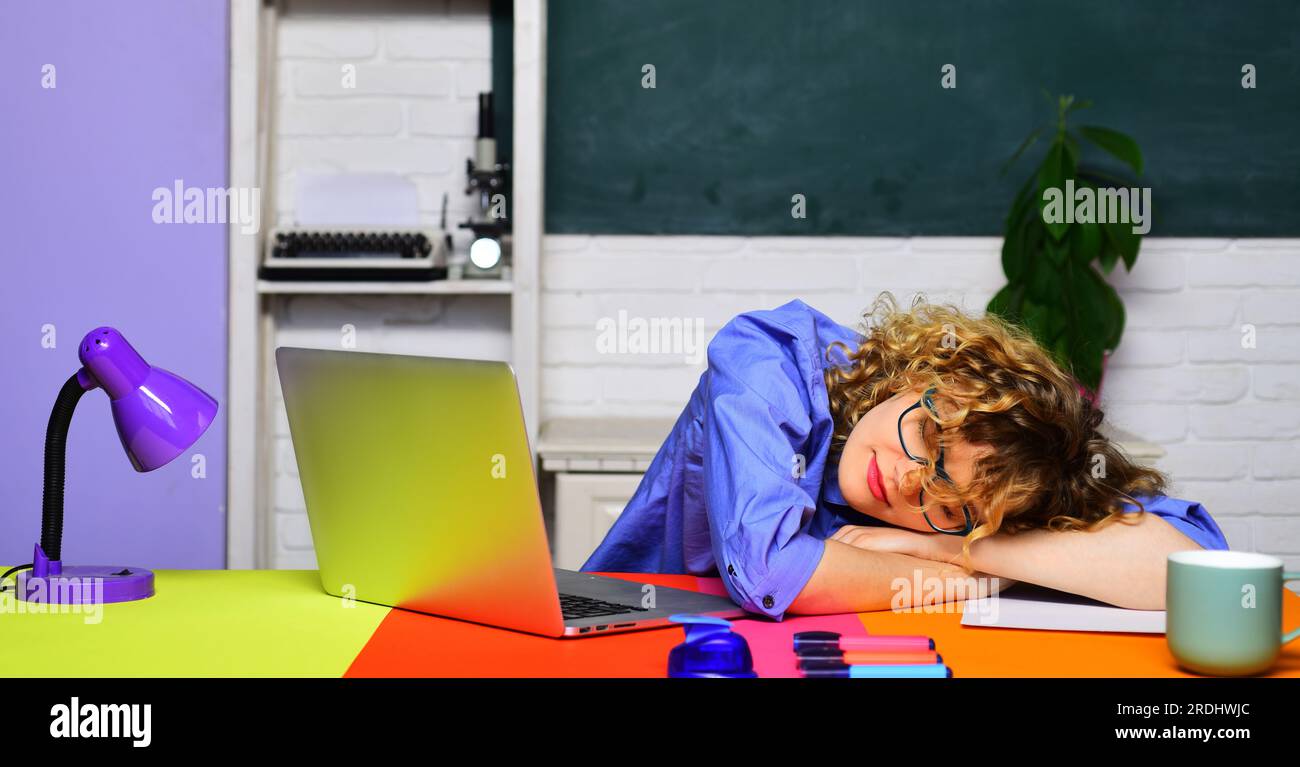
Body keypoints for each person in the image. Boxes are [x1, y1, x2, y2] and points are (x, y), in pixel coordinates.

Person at [580, 295, 1226, 618]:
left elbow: (1193, 574)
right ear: (923, 373)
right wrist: (964, 582)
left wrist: (956, 549)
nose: (903, 480)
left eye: (945, 505)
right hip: (634, 632)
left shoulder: (976, 516)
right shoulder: (772, 357)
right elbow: (768, 567)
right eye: (927, 439)